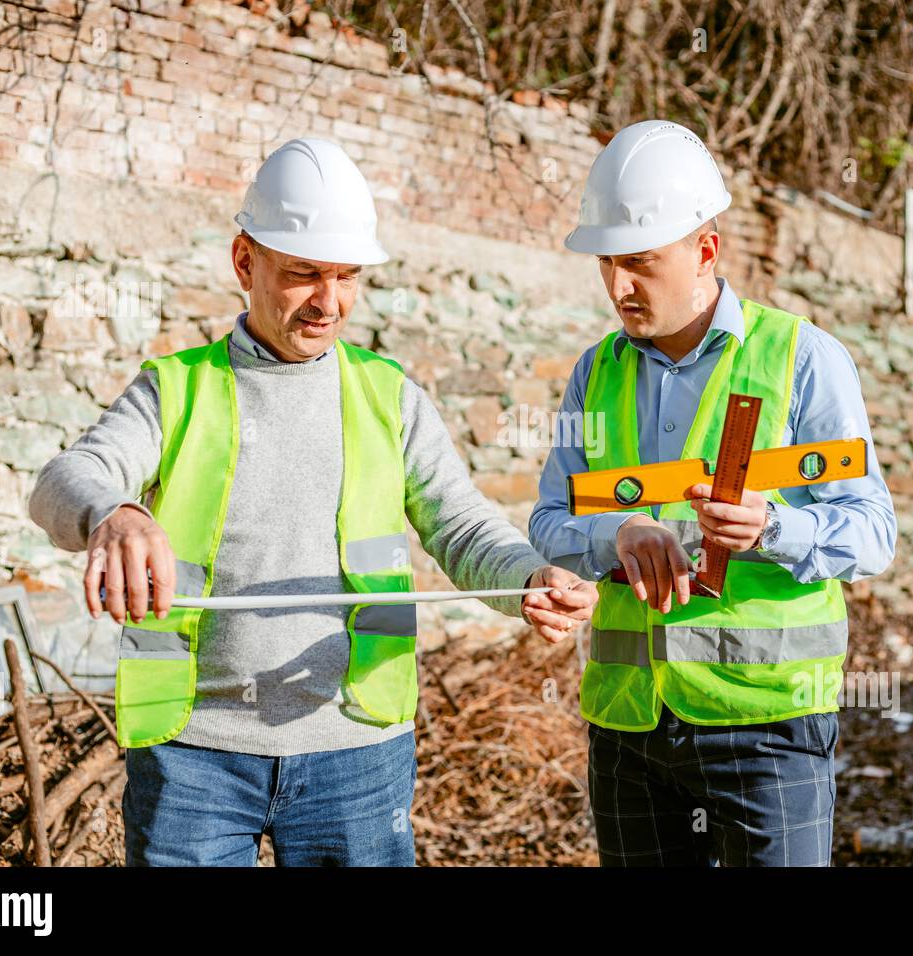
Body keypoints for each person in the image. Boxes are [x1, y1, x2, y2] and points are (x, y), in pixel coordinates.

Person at [29, 137, 596, 866]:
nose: (330, 303)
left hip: (357, 752)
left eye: (348, 277)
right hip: (194, 754)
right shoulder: (177, 388)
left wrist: (527, 577)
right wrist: (115, 513)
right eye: (304, 274)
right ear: (245, 262)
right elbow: (62, 479)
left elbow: (459, 521)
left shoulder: (388, 396)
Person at [529, 120, 897, 866]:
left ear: (706, 250)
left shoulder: (803, 359)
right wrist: (615, 537)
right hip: (629, 728)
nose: (619, 287)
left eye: (640, 262)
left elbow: (872, 533)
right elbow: (549, 520)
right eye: (607, 264)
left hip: (768, 733)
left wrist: (773, 529)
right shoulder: (592, 374)